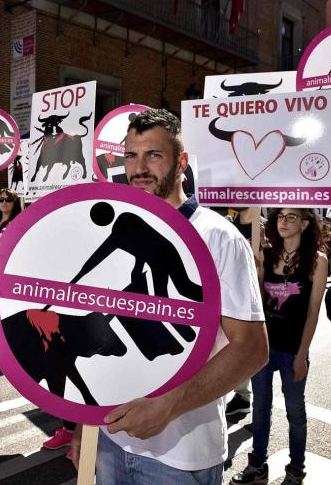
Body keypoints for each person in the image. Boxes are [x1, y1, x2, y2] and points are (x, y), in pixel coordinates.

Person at [70, 109, 268, 485]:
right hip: (111, 441)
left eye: (154, 155)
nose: (139, 167)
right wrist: (85, 422)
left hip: (180, 455)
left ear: (181, 162)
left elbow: (252, 349)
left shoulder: (217, 236)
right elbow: (95, 325)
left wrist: (168, 405)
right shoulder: (120, 222)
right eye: (131, 155)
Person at [231, 208, 327, 485]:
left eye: (291, 217)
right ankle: (257, 464)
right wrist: (258, 272)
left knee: (295, 411)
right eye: (280, 217)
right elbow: (258, 305)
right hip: (264, 348)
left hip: (293, 349)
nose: (283, 222)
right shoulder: (268, 255)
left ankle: (296, 469)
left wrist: (302, 356)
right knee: (261, 407)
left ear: (306, 224)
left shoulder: (317, 262)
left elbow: (313, 313)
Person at [225, 207, 265, 416]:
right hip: (233, 299)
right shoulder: (227, 225)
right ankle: (242, 396)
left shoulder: (263, 228)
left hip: (259, 301)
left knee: (256, 355)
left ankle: (260, 409)